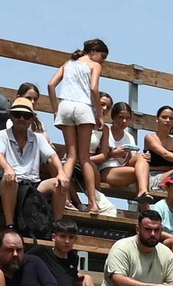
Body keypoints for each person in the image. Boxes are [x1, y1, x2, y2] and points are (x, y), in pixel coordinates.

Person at [46, 38, 107, 216]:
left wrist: (55, 109)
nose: (103, 61)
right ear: (94, 52)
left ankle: (63, 196)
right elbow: (94, 89)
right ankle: (93, 203)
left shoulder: (69, 63)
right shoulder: (94, 66)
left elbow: (51, 85)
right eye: (102, 57)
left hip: (65, 106)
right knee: (84, 158)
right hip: (83, 107)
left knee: (71, 155)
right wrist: (100, 114)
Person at [0, 96, 67, 230]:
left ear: (32, 119)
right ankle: (9, 224)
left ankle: (58, 226)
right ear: (11, 116)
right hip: (9, 182)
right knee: (10, 180)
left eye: (26, 116)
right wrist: (8, 169)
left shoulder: (38, 138)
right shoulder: (1, 135)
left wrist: (61, 173)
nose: (21, 118)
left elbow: (52, 156)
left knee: (59, 183)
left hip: (33, 185)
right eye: (17, 114)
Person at [88, 98, 150, 205]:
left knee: (142, 158)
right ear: (113, 117)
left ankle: (143, 192)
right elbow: (99, 156)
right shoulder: (106, 131)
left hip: (121, 168)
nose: (124, 121)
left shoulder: (129, 137)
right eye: (120, 117)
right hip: (105, 169)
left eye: (127, 118)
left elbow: (130, 161)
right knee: (143, 175)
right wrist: (113, 154)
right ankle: (145, 206)